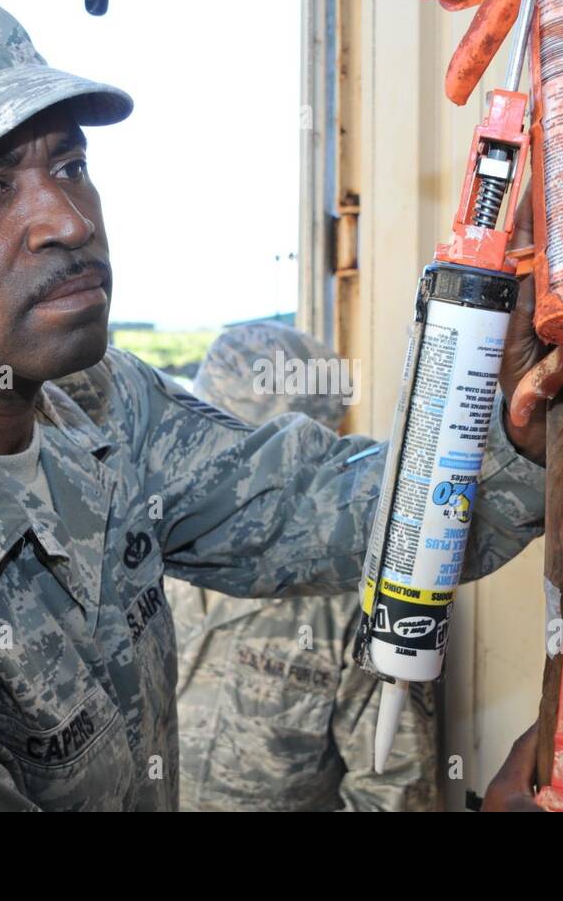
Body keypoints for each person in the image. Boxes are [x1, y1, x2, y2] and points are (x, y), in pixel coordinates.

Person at [0, 0, 551, 811]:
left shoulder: (92, 399)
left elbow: (321, 505)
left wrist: (519, 426)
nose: (67, 219)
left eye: (70, 166)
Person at [162, 322, 438, 811]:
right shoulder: (139, 549)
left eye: (247, 460)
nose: (218, 477)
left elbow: (394, 787)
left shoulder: (359, 599)